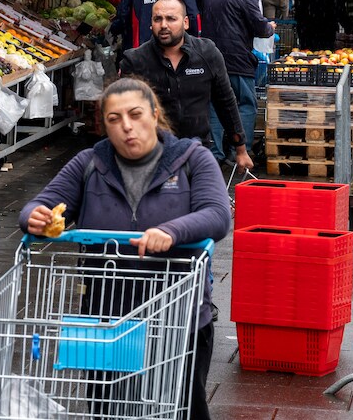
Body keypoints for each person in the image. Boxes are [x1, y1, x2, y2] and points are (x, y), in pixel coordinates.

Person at [19, 78, 231, 420]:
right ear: (104, 125)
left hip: (178, 316)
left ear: (154, 114)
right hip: (107, 317)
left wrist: (171, 231)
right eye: (114, 119)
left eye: (135, 114)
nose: (126, 126)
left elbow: (218, 215)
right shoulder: (90, 163)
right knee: (108, 410)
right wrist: (35, 217)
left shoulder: (193, 159)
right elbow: (39, 206)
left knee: (179, 409)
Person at [120, 0, 253, 172]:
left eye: (171, 19)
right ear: (151, 23)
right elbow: (124, 112)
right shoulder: (135, 60)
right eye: (157, 19)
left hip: (196, 153)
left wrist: (241, 149)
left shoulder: (207, 53)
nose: (164, 25)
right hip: (151, 156)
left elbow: (225, 101)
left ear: (185, 23)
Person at [199, 0, 275, 162]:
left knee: (214, 106)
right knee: (245, 104)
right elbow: (259, 26)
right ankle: (241, 152)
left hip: (211, 57)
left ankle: (214, 153)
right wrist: (270, 27)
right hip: (237, 59)